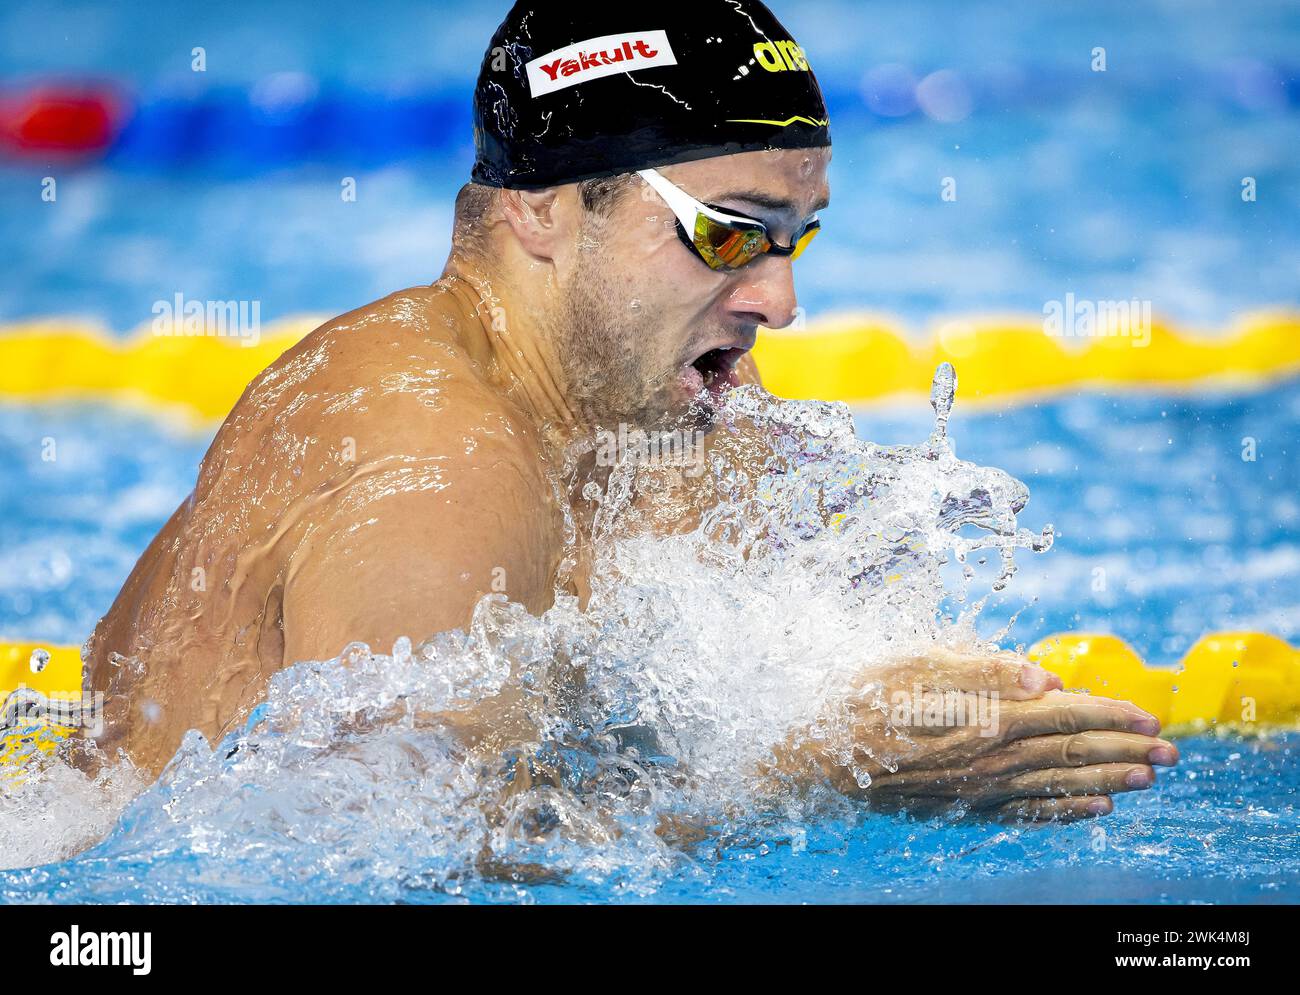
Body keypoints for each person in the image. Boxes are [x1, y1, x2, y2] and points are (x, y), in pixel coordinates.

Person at [84, 1, 1178, 816]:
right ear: (544, 211)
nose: (779, 301)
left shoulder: (646, 401)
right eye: (727, 231)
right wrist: (817, 769)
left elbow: (709, 681)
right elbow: (383, 860)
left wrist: (911, 711)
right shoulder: (438, 457)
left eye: (796, 235)